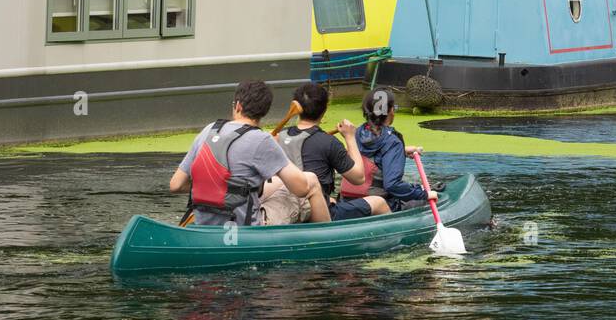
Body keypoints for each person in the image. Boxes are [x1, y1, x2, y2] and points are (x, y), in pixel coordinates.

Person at [169, 80, 320, 226]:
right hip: (243, 231)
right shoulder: (262, 140)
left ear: (238, 106)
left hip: (205, 226)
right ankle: (328, 237)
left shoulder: (209, 130)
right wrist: (277, 150)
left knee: (272, 186)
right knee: (311, 181)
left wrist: (213, 187)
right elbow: (301, 188)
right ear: (264, 112)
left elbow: (176, 185)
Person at [258, 82, 391, 224]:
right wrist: (350, 137)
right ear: (325, 108)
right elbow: (358, 178)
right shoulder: (328, 142)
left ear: (295, 106)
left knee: (333, 199)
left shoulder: (278, 137)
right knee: (379, 202)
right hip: (318, 209)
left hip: (286, 201)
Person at [354, 88, 439, 212]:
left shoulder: (357, 133)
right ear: (390, 111)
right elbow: (392, 185)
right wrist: (424, 194)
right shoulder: (393, 142)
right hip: (378, 203)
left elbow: (371, 156)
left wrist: (401, 151)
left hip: (349, 200)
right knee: (428, 197)